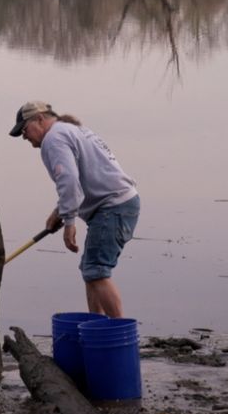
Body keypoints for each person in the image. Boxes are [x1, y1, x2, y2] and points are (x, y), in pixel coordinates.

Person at [9, 101, 139, 317]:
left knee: (96, 271)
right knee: (90, 271)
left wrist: (69, 222)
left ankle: (119, 336)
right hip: (119, 204)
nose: (24, 137)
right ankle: (96, 327)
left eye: (24, 130)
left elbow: (69, 182)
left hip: (113, 207)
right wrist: (59, 211)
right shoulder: (70, 130)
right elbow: (78, 181)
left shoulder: (54, 139)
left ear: (40, 119)